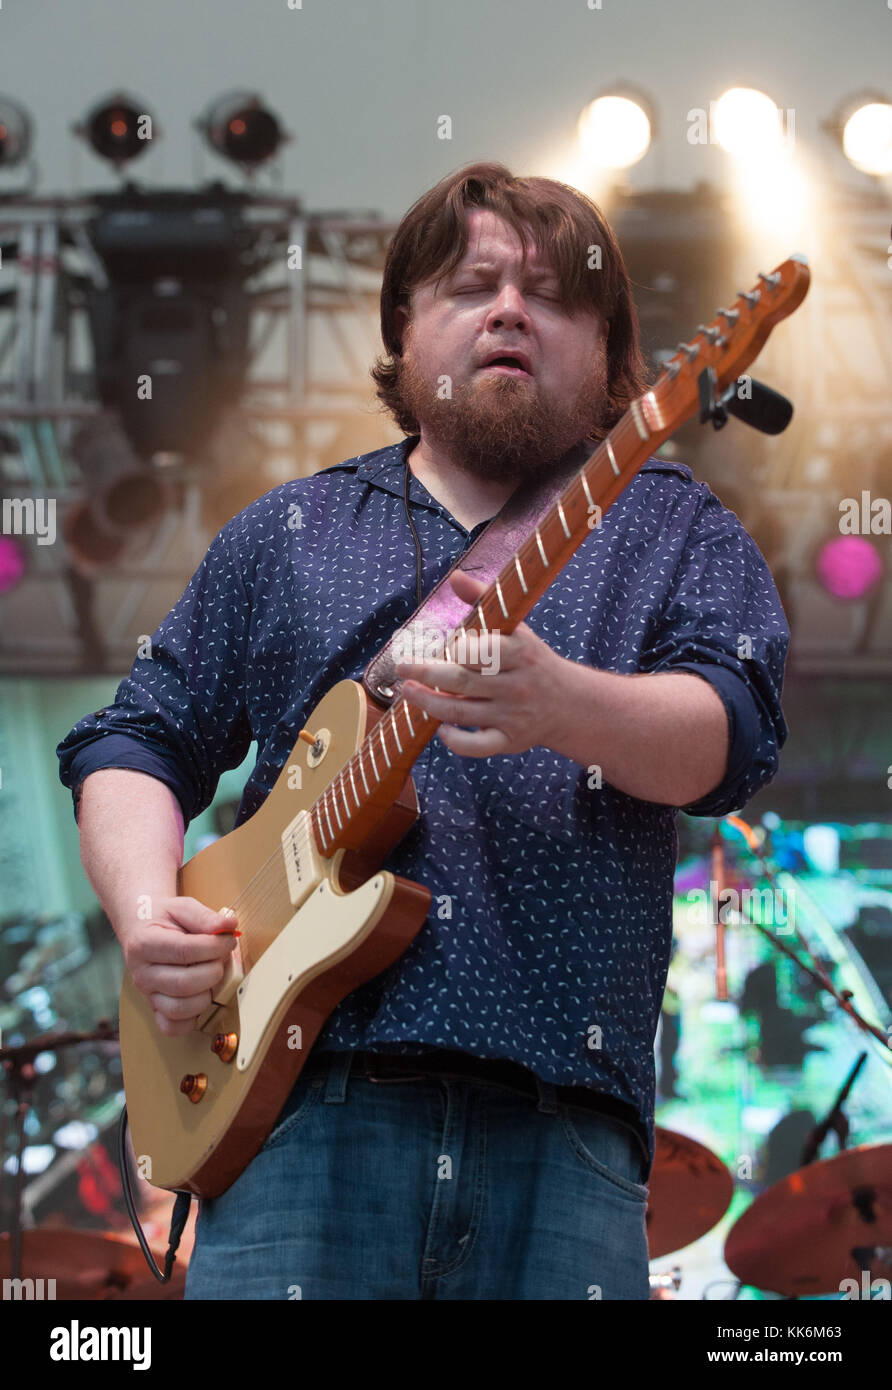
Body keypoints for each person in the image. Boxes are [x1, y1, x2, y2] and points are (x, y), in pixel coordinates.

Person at [57, 161, 790, 1300]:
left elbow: (730, 744)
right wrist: (149, 912)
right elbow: (135, 740)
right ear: (403, 329)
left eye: (552, 294)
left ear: (611, 353)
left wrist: (566, 702)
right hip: (292, 1115)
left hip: (569, 1131)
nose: (508, 310)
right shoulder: (288, 531)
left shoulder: (672, 527)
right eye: (471, 284)